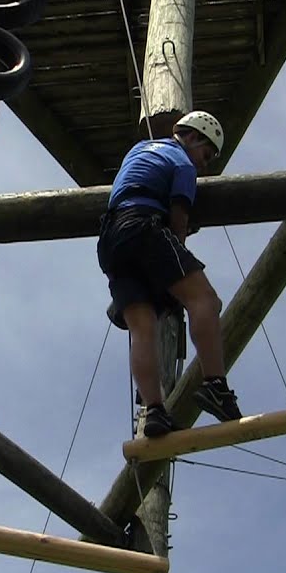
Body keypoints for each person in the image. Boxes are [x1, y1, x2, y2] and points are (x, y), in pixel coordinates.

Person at [97, 110, 243, 437]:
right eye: (205, 154)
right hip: (145, 226)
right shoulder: (182, 164)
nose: (204, 164)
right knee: (204, 300)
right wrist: (179, 249)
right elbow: (178, 217)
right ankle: (215, 384)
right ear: (191, 136)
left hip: (110, 241)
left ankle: (154, 411)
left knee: (143, 326)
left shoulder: (139, 151)